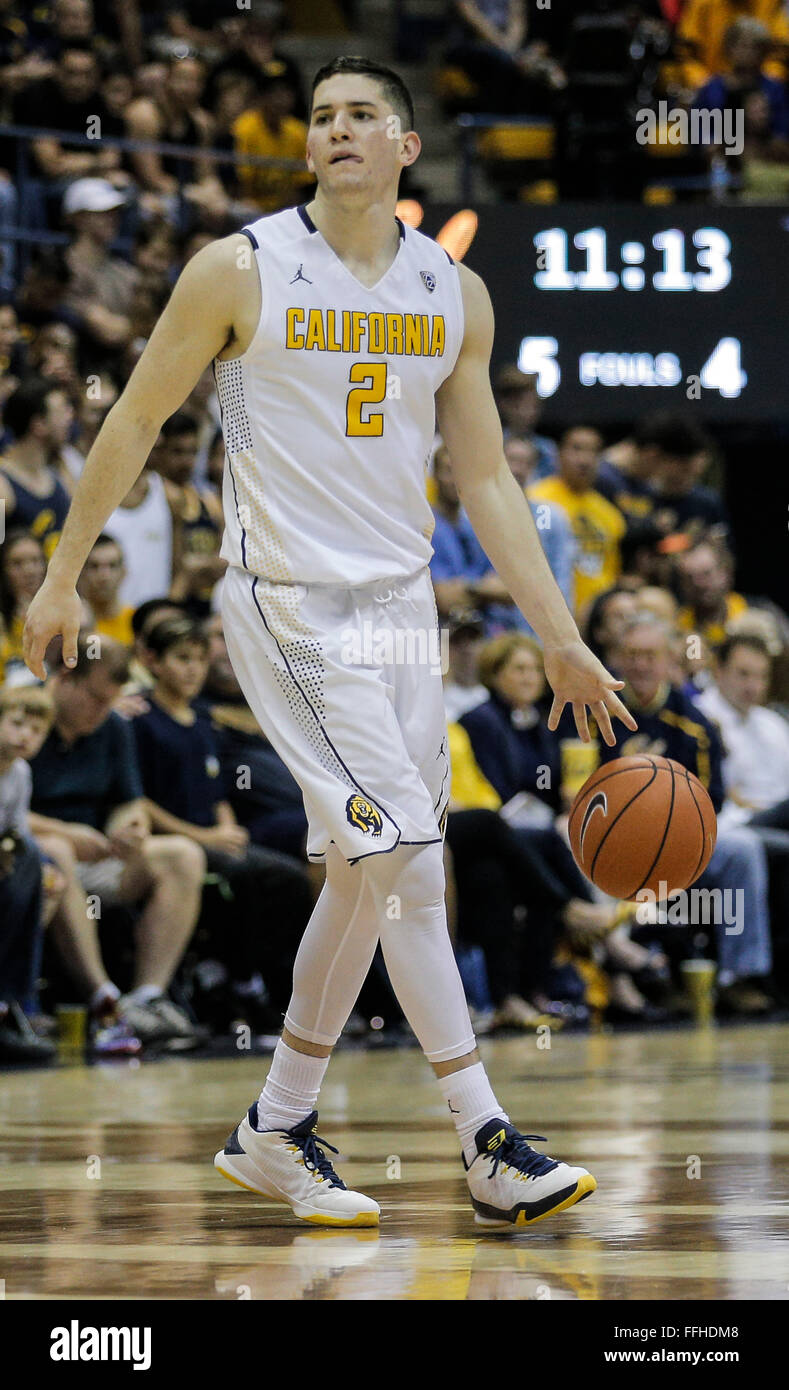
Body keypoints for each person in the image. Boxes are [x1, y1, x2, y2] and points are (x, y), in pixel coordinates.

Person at [24, 56, 637, 1231]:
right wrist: (61, 574)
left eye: (364, 114)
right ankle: (485, 1135)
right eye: (321, 116)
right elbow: (137, 415)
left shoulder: (450, 290)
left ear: (408, 147)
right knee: (409, 852)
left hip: (405, 611)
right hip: (290, 603)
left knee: (373, 868)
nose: (338, 129)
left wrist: (555, 632)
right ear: (306, 147)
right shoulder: (241, 267)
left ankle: (276, 1124)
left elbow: (489, 478)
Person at [26, 631, 206, 1045]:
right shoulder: (23, 715)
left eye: (112, 700)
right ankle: (102, 998)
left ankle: (146, 997)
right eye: (96, 699)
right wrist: (66, 834)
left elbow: (129, 800)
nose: (105, 711)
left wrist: (130, 828)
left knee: (182, 855)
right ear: (65, 678)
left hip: (100, 854)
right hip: (43, 853)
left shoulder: (113, 725)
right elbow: (7, 806)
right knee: (59, 855)